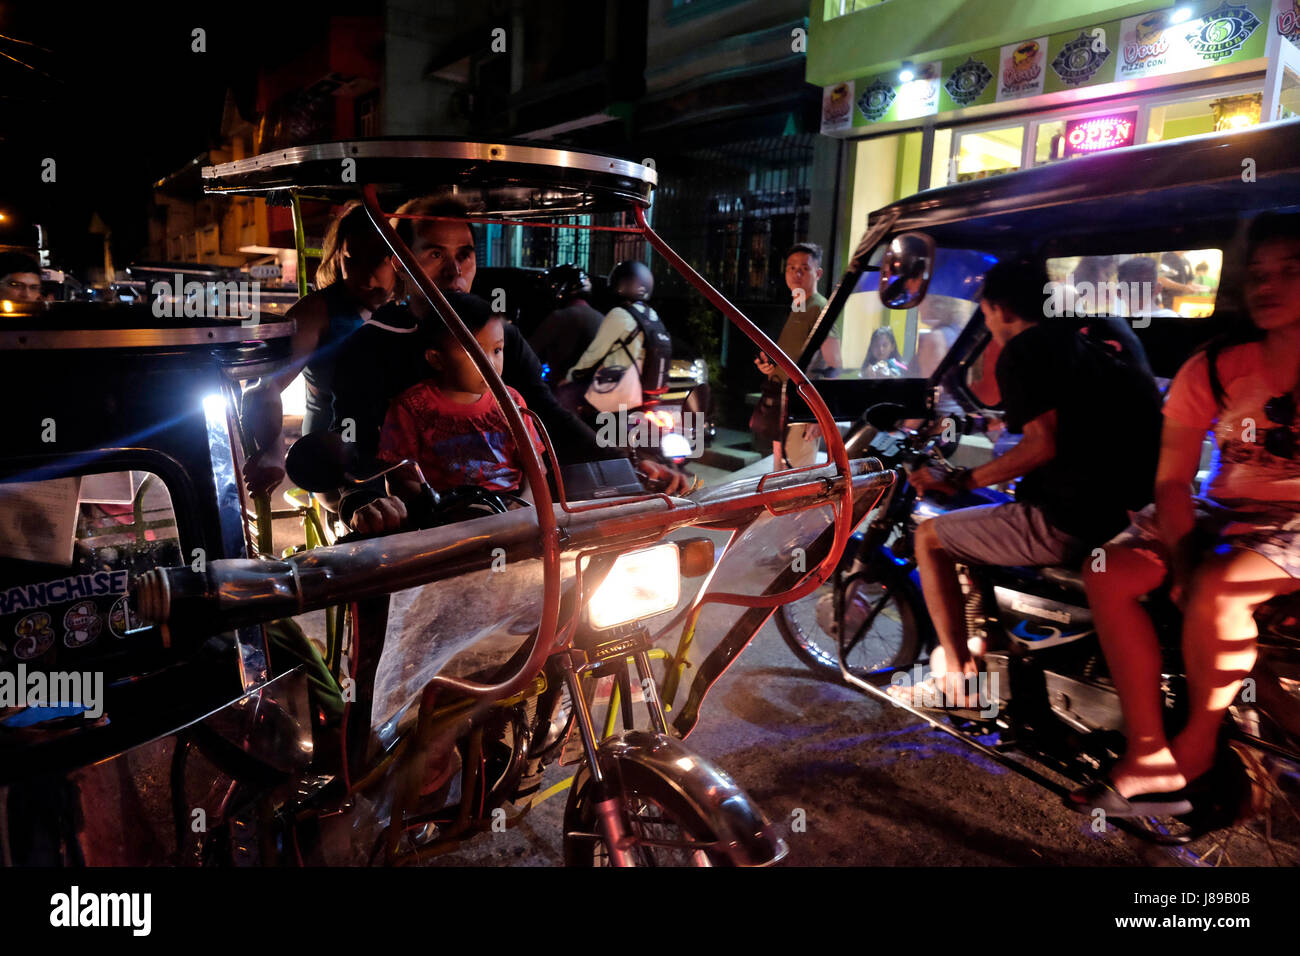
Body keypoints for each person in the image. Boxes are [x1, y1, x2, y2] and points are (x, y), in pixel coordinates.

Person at [1070, 213, 1300, 817]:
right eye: (1258, 273)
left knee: (1219, 590)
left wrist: (1201, 574)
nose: (1269, 286)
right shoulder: (1215, 366)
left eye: (1291, 271)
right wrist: (1183, 552)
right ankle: (1147, 751)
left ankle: (1194, 748)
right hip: (1224, 509)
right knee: (1107, 572)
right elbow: (1172, 479)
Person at [894, 259, 1163, 708]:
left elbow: (1041, 446)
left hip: (1072, 520)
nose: (987, 322)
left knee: (929, 537)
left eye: (985, 312)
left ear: (999, 309)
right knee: (979, 510)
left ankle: (958, 679)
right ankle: (983, 640)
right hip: (1133, 513)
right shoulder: (1103, 335)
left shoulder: (1026, 349)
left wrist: (961, 477)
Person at [330, 197, 689, 533]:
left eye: (465, 254)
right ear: (400, 261)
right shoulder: (371, 345)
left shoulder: (503, 337)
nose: (454, 269)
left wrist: (626, 462)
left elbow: (546, 413)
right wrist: (365, 498)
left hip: (513, 519)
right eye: (436, 253)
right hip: (420, 530)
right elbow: (355, 436)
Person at [241, 201, 398, 495]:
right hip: (334, 458)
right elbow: (264, 386)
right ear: (338, 258)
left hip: (405, 453)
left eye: (378, 260)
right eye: (352, 260)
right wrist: (274, 452)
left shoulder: (413, 309)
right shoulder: (316, 312)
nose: (366, 278)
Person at [377, 291, 543, 496]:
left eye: (497, 350)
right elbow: (400, 480)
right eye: (474, 353)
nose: (490, 364)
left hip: (511, 512)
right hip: (448, 518)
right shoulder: (410, 408)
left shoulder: (511, 402)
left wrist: (524, 509)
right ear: (437, 359)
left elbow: (535, 470)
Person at [753, 243, 841, 467]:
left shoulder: (819, 308)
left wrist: (820, 416)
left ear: (818, 273)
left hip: (803, 406)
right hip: (782, 402)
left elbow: (834, 363)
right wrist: (770, 367)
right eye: (791, 268)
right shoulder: (798, 306)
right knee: (781, 476)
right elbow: (792, 354)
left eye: (804, 268)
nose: (796, 273)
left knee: (797, 480)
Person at [563, 260, 662, 385]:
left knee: (569, 398)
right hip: (645, 388)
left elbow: (595, 352)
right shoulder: (651, 315)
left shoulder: (619, 314)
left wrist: (571, 375)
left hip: (621, 394)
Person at [528, 264, 604, 383]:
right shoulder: (601, 318)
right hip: (596, 392)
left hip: (564, 392)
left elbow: (529, 353)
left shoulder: (559, 318)